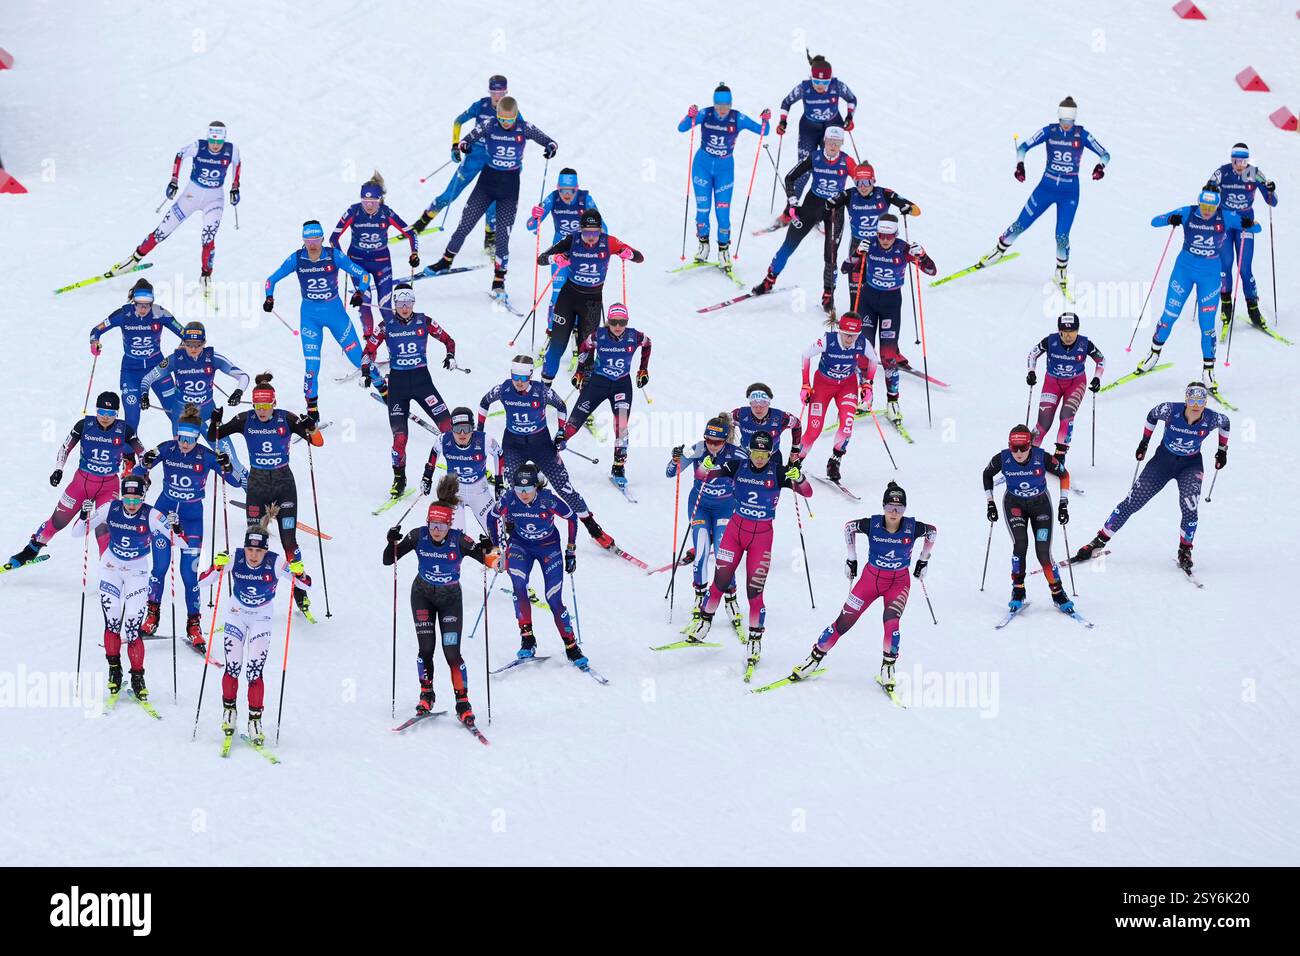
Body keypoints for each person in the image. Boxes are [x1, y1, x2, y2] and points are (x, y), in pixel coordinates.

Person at [787, 482, 937, 692]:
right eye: (890, 508)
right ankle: (813, 658)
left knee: (891, 623)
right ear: (883, 507)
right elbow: (849, 527)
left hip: (898, 583)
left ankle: (888, 667)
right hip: (870, 581)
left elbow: (932, 532)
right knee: (844, 621)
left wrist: (923, 560)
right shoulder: (872, 524)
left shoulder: (912, 527)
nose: (894, 513)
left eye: (900, 509)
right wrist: (851, 559)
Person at [687, 431, 813, 675]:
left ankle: (755, 641)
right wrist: (705, 465)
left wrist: (800, 478)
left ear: (769, 454)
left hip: (762, 537)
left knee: (755, 592)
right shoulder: (737, 465)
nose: (758, 458)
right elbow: (703, 477)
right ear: (749, 451)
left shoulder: (778, 471)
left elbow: (807, 493)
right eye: (755, 453)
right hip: (735, 531)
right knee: (720, 580)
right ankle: (704, 622)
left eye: (763, 454)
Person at [1073, 382, 1229, 574]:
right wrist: (1144, 442)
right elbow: (1151, 415)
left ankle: (1185, 550)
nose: (1196, 405)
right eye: (1192, 399)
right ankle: (1098, 541)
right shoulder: (1170, 410)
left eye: (1201, 400)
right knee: (1132, 502)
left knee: (1190, 508)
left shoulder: (1212, 418)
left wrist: (1222, 450)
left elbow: (1226, 423)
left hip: (1190, 466)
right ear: (1186, 399)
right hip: (1162, 463)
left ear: (1205, 402)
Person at [384, 476, 498, 726]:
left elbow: (493, 564)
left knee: (452, 653)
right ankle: (426, 695)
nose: (436, 530)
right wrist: (391, 540)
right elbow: (388, 559)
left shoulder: (459, 540)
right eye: (432, 524)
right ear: (427, 522)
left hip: (450, 599)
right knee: (425, 649)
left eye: (441, 525)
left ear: (449, 525)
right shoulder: (417, 536)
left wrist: (489, 549)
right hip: (422, 595)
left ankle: (463, 703)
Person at [209, 374, 321, 617]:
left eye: (266, 405)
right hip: (257, 486)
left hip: (283, 486)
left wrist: (310, 426)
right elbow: (213, 436)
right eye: (258, 406)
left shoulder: (286, 418)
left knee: (289, 542)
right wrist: (214, 422)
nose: (261, 411)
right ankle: (243, 599)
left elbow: (318, 442)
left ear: (273, 403)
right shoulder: (245, 419)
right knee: (253, 544)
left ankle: (300, 592)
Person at [422, 96, 557, 296]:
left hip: (509, 189)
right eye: (502, 119)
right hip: (487, 183)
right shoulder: (489, 124)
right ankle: (445, 261)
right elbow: (468, 139)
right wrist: (464, 145)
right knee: (464, 225)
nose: (505, 123)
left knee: (503, 237)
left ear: (515, 116)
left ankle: (499, 282)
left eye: (509, 120)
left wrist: (551, 147)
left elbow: (548, 140)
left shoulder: (524, 127)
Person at [478, 354, 616, 550]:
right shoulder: (503, 388)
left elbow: (561, 406)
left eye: (524, 379)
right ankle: (511, 530)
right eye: (515, 377)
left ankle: (594, 528)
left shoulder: (541, 391)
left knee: (564, 488)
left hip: (540, 444)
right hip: (513, 445)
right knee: (510, 489)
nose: (518, 382)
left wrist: (561, 432)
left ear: (531, 377)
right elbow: (484, 402)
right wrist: (479, 431)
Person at [135, 404, 241, 647]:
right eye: (182, 438)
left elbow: (234, 481)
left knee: (188, 574)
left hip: (192, 519)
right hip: (163, 514)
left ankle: (194, 624)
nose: (185, 444)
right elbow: (141, 468)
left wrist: (227, 464)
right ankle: (152, 615)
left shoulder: (205, 455)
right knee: (159, 568)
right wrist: (145, 461)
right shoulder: (167, 448)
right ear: (177, 435)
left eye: (190, 439)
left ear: (196, 438)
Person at [1134, 185, 1261, 388]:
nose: (1207, 211)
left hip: (1210, 275)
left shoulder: (1225, 217)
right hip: (1184, 270)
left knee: (1207, 325)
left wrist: (1248, 223)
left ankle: (1208, 371)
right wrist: (1170, 219)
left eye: (1211, 207)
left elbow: (1257, 228)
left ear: (1217, 205)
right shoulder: (1188, 212)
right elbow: (1154, 221)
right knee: (1169, 315)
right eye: (1204, 206)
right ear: (1199, 202)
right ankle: (1153, 354)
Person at [978, 97, 1109, 289]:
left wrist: (1100, 166)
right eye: (1063, 121)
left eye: (1070, 122)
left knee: (1061, 236)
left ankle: (1061, 270)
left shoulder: (1082, 135)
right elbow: (1023, 147)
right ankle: (998, 251)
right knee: (1021, 224)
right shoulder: (1049, 131)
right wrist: (1020, 165)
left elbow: (1105, 154)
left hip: (1069, 193)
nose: (1066, 126)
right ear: (1059, 118)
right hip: (1046, 188)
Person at [6, 391, 145, 570]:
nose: (105, 417)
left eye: (111, 414)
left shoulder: (124, 429)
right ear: (96, 410)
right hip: (81, 483)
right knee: (58, 522)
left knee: (104, 527)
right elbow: (65, 447)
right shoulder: (84, 425)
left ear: (117, 414)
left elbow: (144, 454)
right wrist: (58, 469)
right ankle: (30, 551)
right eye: (102, 412)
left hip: (108, 486)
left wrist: (140, 474)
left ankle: (110, 568)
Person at [209, 515, 310, 745]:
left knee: (254, 671)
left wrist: (299, 572)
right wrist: (217, 567)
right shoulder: (235, 558)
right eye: (249, 550)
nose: (253, 556)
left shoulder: (274, 562)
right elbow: (204, 582)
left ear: (265, 551)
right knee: (232, 666)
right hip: (236, 615)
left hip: (261, 618)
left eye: (258, 551)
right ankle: (229, 711)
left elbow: (306, 584)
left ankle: (255, 720)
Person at [263, 220, 378, 422]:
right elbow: (270, 280)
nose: (313, 244)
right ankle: (312, 413)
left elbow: (364, 276)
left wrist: (360, 292)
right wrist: (269, 297)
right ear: (303, 241)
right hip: (310, 317)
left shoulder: (333, 255)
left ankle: (385, 390)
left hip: (335, 313)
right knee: (311, 367)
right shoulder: (297, 259)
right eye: (308, 240)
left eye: (316, 239)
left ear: (322, 239)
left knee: (357, 358)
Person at [90, 474, 187, 702]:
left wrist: (176, 527)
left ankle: (137, 676)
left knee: (133, 624)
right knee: (112, 619)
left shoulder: (152, 515)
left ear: (143, 497)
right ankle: (114, 669)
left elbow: (181, 543)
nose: (131, 503)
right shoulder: (109, 508)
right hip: (111, 566)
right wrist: (86, 515)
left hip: (137, 571)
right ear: (122, 495)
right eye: (128, 498)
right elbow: (77, 532)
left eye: (136, 499)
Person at [109, 122, 241, 282]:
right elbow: (180, 155)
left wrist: (235, 186)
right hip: (191, 195)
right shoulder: (199, 146)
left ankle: (206, 276)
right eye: (212, 141)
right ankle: (133, 259)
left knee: (208, 237)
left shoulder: (231, 150)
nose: (215, 145)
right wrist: (174, 180)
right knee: (162, 231)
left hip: (214, 199)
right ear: (208, 138)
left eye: (219, 142)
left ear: (224, 140)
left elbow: (237, 163)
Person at [361, 282, 456, 499]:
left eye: (409, 302)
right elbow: (368, 351)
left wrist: (450, 355)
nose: (405, 307)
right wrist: (366, 370)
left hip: (423, 383)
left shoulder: (424, 321)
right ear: (395, 304)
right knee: (400, 438)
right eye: (401, 303)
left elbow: (448, 340)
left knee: (447, 426)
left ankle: (457, 469)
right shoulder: (385, 326)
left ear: (414, 302)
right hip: (398, 387)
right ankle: (399, 478)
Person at [492, 462, 590, 669]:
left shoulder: (548, 499)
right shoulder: (509, 498)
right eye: (519, 489)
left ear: (536, 487)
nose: (523, 494)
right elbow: (493, 517)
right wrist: (497, 548)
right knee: (518, 585)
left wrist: (571, 550)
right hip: (521, 546)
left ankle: (571, 646)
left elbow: (572, 518)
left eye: (527, 489)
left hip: (549, 548)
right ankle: (527, 639)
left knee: (553, 598)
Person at [840, 214, 935, 423]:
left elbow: (931, 270)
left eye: (889, 236)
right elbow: (846, 268)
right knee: (864, 351)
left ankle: (893, 402)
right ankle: (866, 396)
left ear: (896, 235)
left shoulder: (903, 249)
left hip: (891, 304)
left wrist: (923, 255)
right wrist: (856, 253)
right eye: (881, 235)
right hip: (868, 301)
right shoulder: (870, 245)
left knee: (888, 356)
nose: (884, 240)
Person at [752, 125, 857, 309]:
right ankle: (769, 280)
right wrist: (792, 201)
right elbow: (790, 177)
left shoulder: (847, 161)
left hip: (835, 210)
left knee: (830, 255)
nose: (833, 146)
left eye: (837, 143)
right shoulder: (815, 157)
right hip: (811, 205)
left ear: (842, 143)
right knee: (789, 244)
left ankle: (828, 294)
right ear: (825, 140)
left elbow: (862, 185)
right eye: (830, 141)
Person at [536, 211, 644, 386]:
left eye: (595, 233)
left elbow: (639, 257)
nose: (591, 237)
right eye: (587, 233)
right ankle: (543, 390)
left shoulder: (609, 242)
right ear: (581, 230)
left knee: (587, 350)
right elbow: (541, 259)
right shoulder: (572, 240)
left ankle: (584, 396)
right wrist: (555, 258)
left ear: (601, 230)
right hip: (568, 298)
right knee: (558, 345)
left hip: (592, 303)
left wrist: (628, 254)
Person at [139, 319, 250, 484]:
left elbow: (243, 376)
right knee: (182, 459)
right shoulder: (175, 359)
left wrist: (238, 392)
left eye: (197, 345)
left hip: (208, 416)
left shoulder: (212, 357)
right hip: (182, 419)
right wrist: (144, 395)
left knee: (232, 461)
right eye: (188, 344)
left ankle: (252, 491)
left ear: (204, 343)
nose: (193, 349)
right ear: (183, 342)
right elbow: (147, 379)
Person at [412, 74, 512, 252]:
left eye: (501, 92)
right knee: (451, 193)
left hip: (495, 162)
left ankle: (489, 241)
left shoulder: (511, 109)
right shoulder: (480, 105)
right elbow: (458, 121)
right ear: (490, 92)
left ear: (506, 92)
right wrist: (455, 146)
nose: (498, 96)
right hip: (475, 157)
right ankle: (421, 223)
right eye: (494, 92)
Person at [666, 414, 747, 631]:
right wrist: (675, 458)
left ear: (725, 440)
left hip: (725, 508)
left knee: (723, 554)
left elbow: (754, 474)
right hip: (700, 505)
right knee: (701, 550)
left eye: (717, 442)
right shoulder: (698, 449)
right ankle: (699, 598)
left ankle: (731, 600)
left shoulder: (736, 453)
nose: (712, 446)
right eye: (708, 441)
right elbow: (670, 473)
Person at [556, 303, 651, 487]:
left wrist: (643, 370)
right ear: (608, 321)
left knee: (621, 428)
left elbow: (648, 343)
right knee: (575, 422)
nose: (617, 326)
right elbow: (584, 349)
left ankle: (618, 467)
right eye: (614, 322)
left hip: (621, 386)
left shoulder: (634, 336)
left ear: (627, 322)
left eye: (622, 322)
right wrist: (579, 372)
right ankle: (551, 452)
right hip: (598, 383)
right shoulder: (598, 336)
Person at [982, 424, 1073, 613]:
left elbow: (1064, 475)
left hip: (1041, 506)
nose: (1018, 453)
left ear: (1030, 444)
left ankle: (1057, 593)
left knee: (1043, 552)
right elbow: (987, 474)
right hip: (1014, 506)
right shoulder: (1003, 458)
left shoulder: (1042, 457)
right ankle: (1018, 590)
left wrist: (1063, 502)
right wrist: (990, 502)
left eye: (1023, 447)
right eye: (1014, 448)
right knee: (1020, 544)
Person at [677, 83, 770, 266]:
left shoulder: (738, 118)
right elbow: (682, 128)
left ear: (731, 104)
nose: (721, 110)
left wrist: (766, 120)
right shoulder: (706, 113)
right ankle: (703, 246)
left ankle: (723, 251)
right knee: (703, 210)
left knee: (723, 213)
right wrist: (690, 116)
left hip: (724, 170)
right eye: (719, 106)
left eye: (725, 106)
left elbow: (763, 131)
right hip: (702, 166)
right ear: (714, 104)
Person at [329, 171, 420, 337]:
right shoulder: (353, 211)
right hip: (357, 263)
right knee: (364, 301)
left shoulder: (386, 213)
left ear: (380, 200)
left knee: (385, 305)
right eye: (365, 201)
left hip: (381, 263)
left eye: (373, 201)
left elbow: (411, 233)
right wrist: (343, 262)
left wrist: (414, 253)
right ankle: (369, 345)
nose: (369, 205)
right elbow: (334, 238)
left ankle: (394, 341)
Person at [87, 279, 186, 431]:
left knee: (175, 412)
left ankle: (183, 449)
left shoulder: (160, 313)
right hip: (131, 370)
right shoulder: (123, 314)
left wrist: (184, 346)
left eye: (148, 304)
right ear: (134, 301)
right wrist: (94, 342)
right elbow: (96, 330)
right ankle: (127, 454)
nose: (144, 308)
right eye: (140, 304)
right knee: (132, 418)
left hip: (157, 368)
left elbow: (186, 333)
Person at [799, 311, 878, 481]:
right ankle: (795, 463)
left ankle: (834, 462)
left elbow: (874, 360)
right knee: (813, 430)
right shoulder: (828, 340)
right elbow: (806, 355)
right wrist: (805, 384)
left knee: (847, 425)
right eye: (847, 335)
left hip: (847, 386)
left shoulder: (863, 343)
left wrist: (867, 384)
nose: (850, 339)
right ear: (840, 331)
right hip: (823, 386)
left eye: (854, 335)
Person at [1208, 142, 1279, 330]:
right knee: (1225, 265)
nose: (1240, 165)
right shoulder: (1223, 172)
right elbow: (1207, 192)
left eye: (1244, 161)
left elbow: (1273, 202)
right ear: (1231, 160)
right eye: (1236, 161)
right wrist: (1210, 189)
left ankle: (1253, 309)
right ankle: (1226, 307)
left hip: (1245, 224)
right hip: (1224, 224)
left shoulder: (1253, 173)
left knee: (1245, 268)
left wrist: (1270, 189)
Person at [525, 167, 604, 323]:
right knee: (558, 291)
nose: (567, 195)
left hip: (582, 250)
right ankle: (551, 332)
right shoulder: (553, 198)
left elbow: (603, 227)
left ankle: (576, 332)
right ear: (558, 189)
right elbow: (530, 226)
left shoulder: (585, 199)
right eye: (563, 191)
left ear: (577, 189)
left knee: (581, 291)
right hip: (560, 248)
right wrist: (535, 217)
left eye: (571, 191)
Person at [1026, 311, 1104, 463]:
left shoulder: (1085, 344)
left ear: (1077, 330)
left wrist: (1097, 378)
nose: (1069, 336)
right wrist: (1031, 372)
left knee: (1066, 416)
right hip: (1052, 383)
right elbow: (1032, 355)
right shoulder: (1050, 341)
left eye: (1072, 331)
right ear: (1059, 330)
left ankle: (1059, 456)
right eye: (1065, 332)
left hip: (1076, 384)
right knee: (1043, 423)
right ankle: (1030, 453)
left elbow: (1101, 360)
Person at [777, 52, 857, 199]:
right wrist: (783, 121)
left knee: (828, 170)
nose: (821, 86)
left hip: (832, 127)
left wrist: (849, 117)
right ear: (811, 78)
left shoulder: (837, 86)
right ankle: (790, 209)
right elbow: (786, 102)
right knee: (803, 172)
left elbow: (852, 99)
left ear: (830, 79)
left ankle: (825, 212)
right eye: (816, 82)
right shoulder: (804, 88)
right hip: (809, 129)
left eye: (825, 82)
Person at [422, 407, 503, 540]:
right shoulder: (443, 440)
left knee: (497, 534)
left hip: (479, 491)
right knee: (455, 538)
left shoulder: (485, 440)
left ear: (473, 428)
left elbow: (499, 455)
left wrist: (499, 483)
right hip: (454, 492)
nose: (462, 433)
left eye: (466, 428)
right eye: (457, 429)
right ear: (451, 428)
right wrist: (427, 477)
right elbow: (434, 453)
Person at [730, 382, 803, 460]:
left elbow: (797, 425)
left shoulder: (781, 418)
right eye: (754, 403)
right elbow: (723, 424)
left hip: (771, 456)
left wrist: (795, 449)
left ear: (769, 402)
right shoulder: (739, 414)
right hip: (745, 454)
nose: (758, 408)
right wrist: (728, 446)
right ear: (750, 402)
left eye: (763, 402)